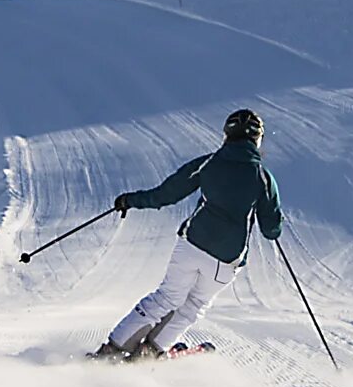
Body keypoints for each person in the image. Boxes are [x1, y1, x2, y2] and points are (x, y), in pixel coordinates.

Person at [95, 108, 282, 359]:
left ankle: (112, 349)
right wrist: (275, 218)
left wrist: (129, 201)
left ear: (226, 134)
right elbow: (271, 230)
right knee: (193, 306)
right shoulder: (263, 177)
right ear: (258, 139)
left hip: (192, 245)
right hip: (225, 261)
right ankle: (149, 353)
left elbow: (166, 195)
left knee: (166, 298)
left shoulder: (209, 163)